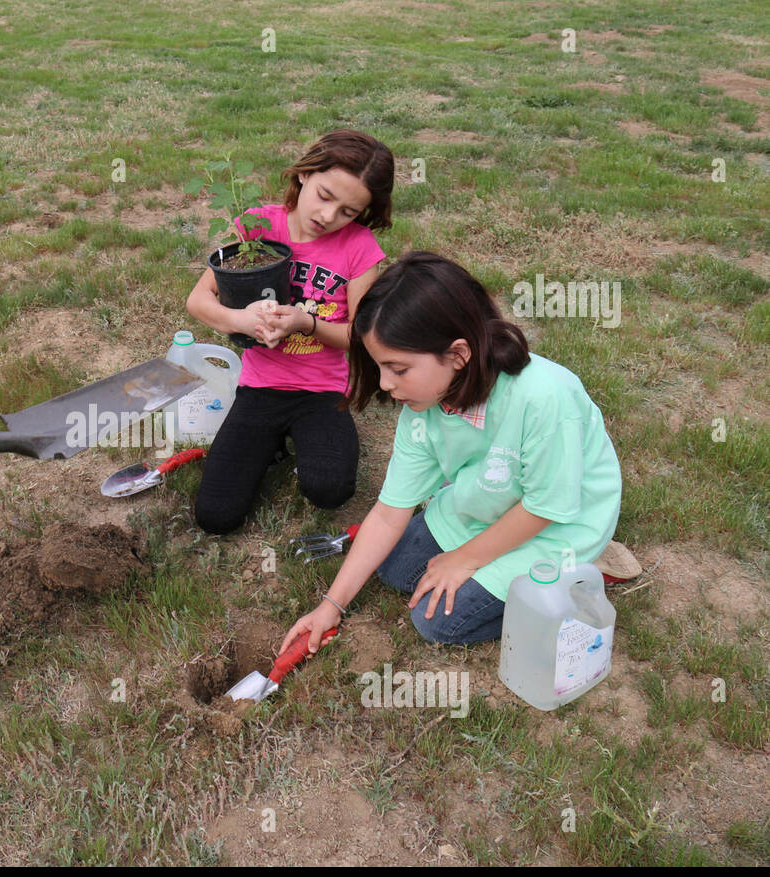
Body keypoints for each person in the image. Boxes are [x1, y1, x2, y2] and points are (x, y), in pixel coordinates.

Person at [280, 251, 622, 657]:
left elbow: (545, 506)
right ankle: (487, 556)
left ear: (459, 354)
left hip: (557, 524)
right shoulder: (423, 406)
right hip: (488, 502)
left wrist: (464, 559)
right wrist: (330, 607)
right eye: (379, 367)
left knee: (438, 621)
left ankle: (576, 575)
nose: (385, 383)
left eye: (398, 369)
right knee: (394, 568)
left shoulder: (545, 397)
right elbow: (389, 514)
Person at [185, 129, 394, 534]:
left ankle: (302, 439)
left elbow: (362, 337)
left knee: (329, 489)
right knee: (216, 516)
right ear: (304, 174)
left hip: (323, 391)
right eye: (325, 195)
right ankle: (274, 445)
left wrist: (306, 323)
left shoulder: (360, 248)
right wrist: (242, 321)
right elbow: (199, 300)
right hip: (260, 385)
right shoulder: (258, 225)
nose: (328, 216)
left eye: (348, 211)